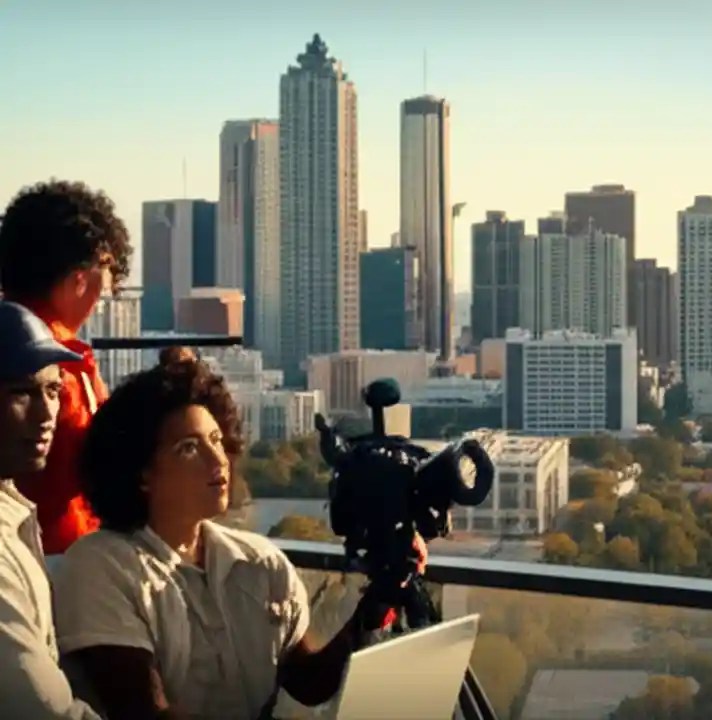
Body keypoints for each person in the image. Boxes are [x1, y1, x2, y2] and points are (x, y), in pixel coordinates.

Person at [54, 356, 421, 719]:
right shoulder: (100, 567)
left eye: (216, 439)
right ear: (141, 474)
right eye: (189, 448)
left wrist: (376, 605)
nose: (218, 460)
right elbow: (144, 713)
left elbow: (309, 682)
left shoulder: (259, 561)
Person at [0, 180, 133, 555]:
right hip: (59, 558)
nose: (103, 293)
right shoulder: (61, 366)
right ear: (80, 277)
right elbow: (106, 469)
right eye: (103, 275)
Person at [0, 301, 100, 718]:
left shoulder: (14, 510)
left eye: (53, 391)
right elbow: (43, 709)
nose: (46, 415)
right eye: (21, 392)